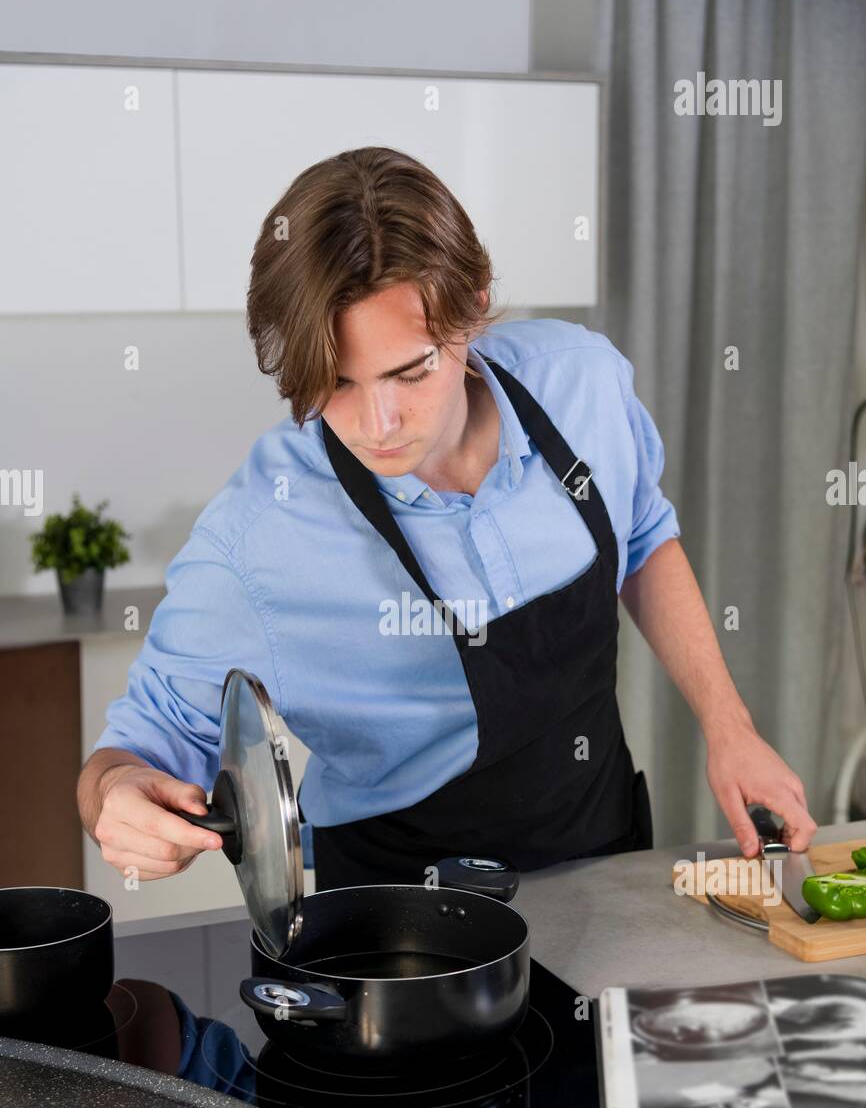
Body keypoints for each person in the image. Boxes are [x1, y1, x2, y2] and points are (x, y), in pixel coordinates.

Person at [77, 145, 817, 891]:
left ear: (473, 308)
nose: (379, 423)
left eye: (411, 371)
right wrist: (118, 796)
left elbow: (645, 535)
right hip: (397, 933)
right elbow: (134, 748)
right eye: (334, 385)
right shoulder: (257, 535)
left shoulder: (581, 383)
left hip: (603, 868)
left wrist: (731, 730)